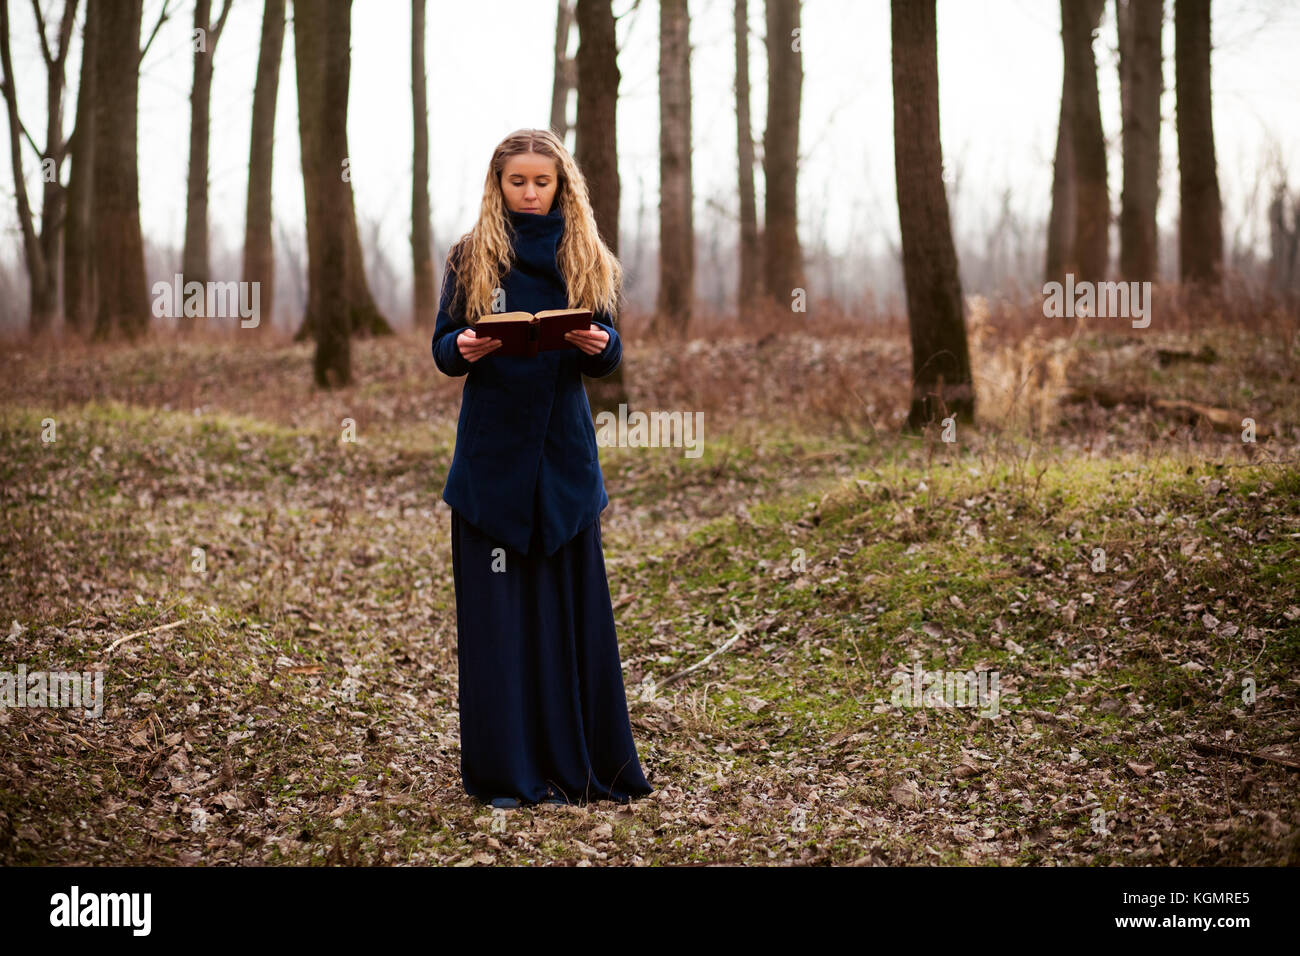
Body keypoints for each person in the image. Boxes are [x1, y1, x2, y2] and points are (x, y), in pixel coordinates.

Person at [431, 128, 654, 810]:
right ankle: (507, 772)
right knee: (499, 627)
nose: (530, 192)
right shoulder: (471, 257)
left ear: (562, 186)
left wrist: (600, 343)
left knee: (567, 620)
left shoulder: (587, 254)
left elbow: (609, 352)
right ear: (497, 185)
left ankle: (577, 763)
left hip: (562, 466)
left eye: (542, 181)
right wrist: (463, 346)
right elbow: (442, 346)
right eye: (517, 181)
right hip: (491, 467)